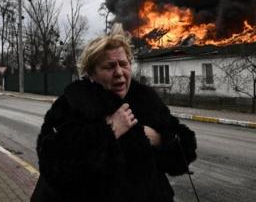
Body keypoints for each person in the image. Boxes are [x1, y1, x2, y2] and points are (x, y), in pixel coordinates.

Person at [31, 24, 197, 202]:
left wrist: (160, 139)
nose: (119, 72)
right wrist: (109, 131)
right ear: (91, 73)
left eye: (123, 64)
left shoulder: (145, 100)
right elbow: (53, 165)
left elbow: (184, 148)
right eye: (109, 66)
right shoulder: (73, 103)